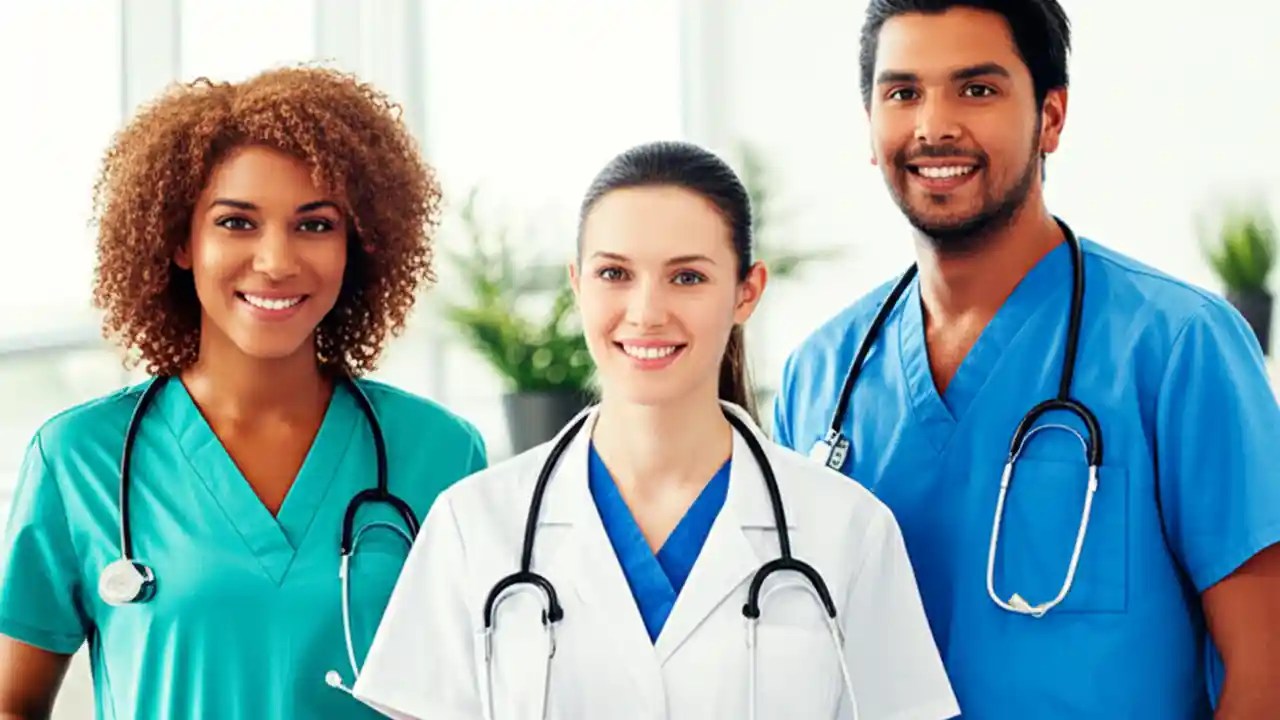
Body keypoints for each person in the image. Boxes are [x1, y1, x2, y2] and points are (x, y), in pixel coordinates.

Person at [771, 1, 1280, 718]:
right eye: (903, 92)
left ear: (1051, 117)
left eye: (977, 89)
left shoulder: (1178, 346)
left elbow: (1267, 665)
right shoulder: (820, 377)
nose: (934, 125)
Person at [350, 141, 959, 719]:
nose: (646, 311)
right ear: (577, 283)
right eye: (615, 274)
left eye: (687, 277)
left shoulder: (846, 529)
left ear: (746, 293)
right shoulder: (474, 525)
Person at [0, 66, 487, 719]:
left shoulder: (440, 453)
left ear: (358, 245)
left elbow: (487, 692)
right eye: (237, 223)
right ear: (179, 240)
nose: (278, 261)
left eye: (315, 225)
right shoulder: (77, 459)